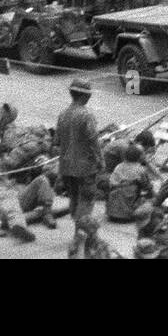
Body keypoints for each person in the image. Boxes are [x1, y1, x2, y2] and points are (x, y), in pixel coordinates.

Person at [54, 78, 104, 229]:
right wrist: (100, 160)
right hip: (85, 167)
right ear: (85, 96)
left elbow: (56, 140)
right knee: (87, 198)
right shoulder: (86, 115)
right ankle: (81, 231)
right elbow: (93, 140)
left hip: (66, 166)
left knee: (74, 197)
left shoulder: (63, 114)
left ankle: (77, 223)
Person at [0, 160, 57, 243]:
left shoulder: (2, 179)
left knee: (41, 179)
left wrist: (7, 182)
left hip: (18, 200)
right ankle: (19, 228)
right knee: (11, 203)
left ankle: (47, 212)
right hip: (0, 207)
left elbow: (17, 185)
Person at [106, 143, 155, 222]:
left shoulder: (119, 166)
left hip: (110, 214)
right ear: (140, 157)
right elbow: (148, 188)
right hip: (129, 215)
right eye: (143, 154)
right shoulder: (140, 169)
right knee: (151, 202)